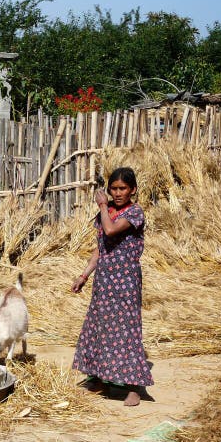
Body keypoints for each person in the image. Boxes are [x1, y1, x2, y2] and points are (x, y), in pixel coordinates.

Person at [71, 167, 153, 407]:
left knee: (126, 330)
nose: (118, 193)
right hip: (105, 281)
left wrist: (103, 206)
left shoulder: (135, 212)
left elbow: (112, 229)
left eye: (123, 189)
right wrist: (84, 275)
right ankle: (100, 380)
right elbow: (101, 247)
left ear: (133, 190)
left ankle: (134, 387)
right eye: (114, 189)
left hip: (126, 280)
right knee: (101, 328)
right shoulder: (106, 213)